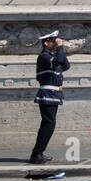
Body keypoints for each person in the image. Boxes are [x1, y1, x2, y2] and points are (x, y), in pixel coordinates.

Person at [30, 32, 71, 164]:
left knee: (49, 123)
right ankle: (37, 154)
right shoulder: (44, 56)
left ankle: (38, 153)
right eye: (53, 41)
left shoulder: (51, 56)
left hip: (53, 94)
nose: (57, 42)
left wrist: (60, 49)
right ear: (46, 43)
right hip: (47, 94)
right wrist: (60, 48)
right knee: (49, 123)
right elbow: (59, 60)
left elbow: (66, 65)